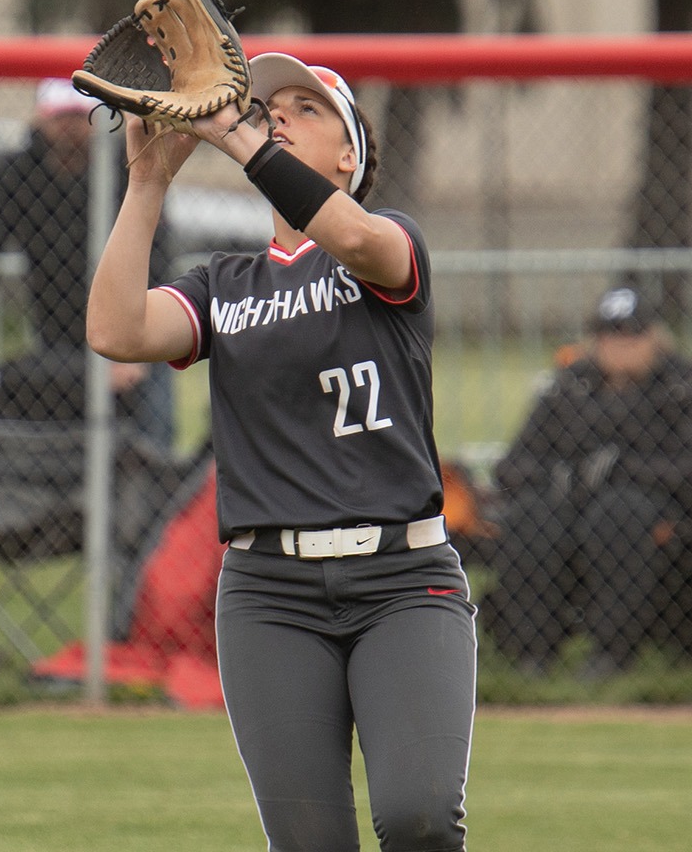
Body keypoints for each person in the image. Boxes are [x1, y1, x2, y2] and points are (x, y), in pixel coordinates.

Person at [87, 53, 474, 851]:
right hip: (270, 593)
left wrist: (237, 136)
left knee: (421, 816)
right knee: (309, 843)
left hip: (403, 579)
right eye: (269, 109)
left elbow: (355, 235)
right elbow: (115, 330)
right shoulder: (225, 286)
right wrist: (148, 182)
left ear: (348, 153)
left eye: (306, 107)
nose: (277, 118)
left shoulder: (387, 245)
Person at [481, 286, 692, 677]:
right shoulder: (570, 385)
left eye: (632, 336)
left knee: (616, 514)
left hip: (648, 504)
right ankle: (532, 653)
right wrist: (557, 475)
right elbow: (512, 465)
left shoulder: (678, 387)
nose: (620, 347)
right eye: (610, 336)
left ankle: (612, 652)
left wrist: (623, 470)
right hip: (570, 501)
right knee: (530, 515)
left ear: (654, 338)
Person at [0, 78, 168, 443]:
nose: (69, 127)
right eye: (60, 116)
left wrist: (136, 349)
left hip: (131, 330)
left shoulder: (128, 170)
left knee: (147, 430)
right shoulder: (18, 174)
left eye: (78, 116)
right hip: (54, 335)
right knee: (56, 434)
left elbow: (156, 258)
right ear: (41, 116)